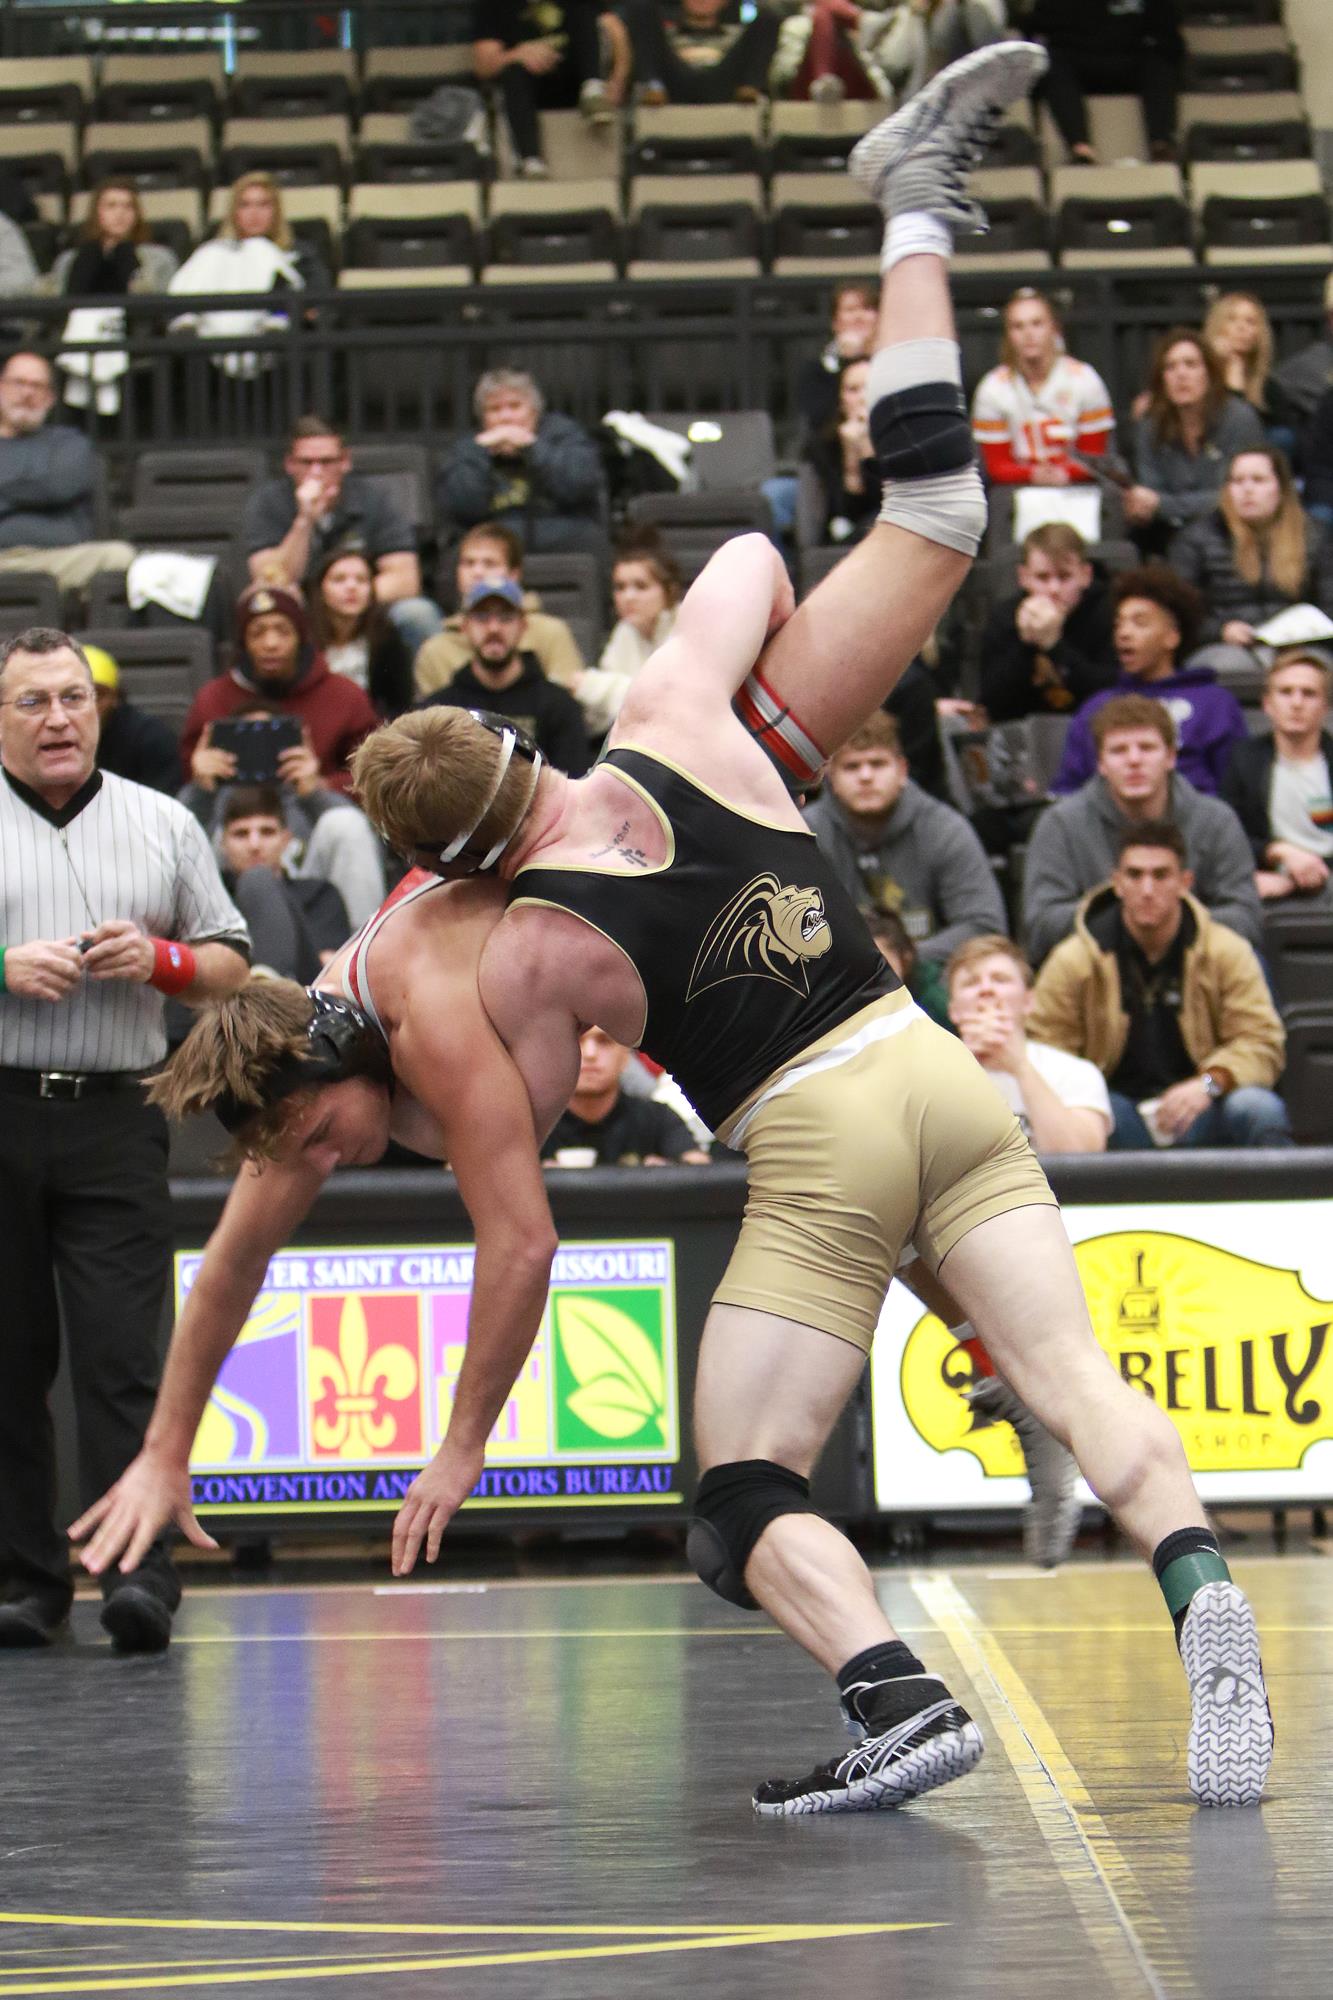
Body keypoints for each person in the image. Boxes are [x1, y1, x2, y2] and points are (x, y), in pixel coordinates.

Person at [351, 47, 1272, 1813]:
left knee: (738, 1490)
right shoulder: (674, 715)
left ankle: (893, 1700)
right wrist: (756, 726)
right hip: (930, 1067)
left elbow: (499, 1140)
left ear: (441, 868)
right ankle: (1206, 1607)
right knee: (1074, 1378)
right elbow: (756, 567)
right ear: (520, 737)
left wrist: (376, 1053)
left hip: (819, 1133)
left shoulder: (520, 950)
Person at [0, 626, 249, 1652]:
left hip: (118, 1113)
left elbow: (232, 962)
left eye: (74, 697)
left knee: (120, 1356)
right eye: (32, 701)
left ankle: (137, 1575)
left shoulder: (162, 821)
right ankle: (26, 1582)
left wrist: (160, 960)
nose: (58, 718)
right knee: (8, 1361)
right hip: (2, 1106)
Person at [1029, 821, 1291, 1151]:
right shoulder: (1073, 960)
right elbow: (1046, 1051)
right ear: (1117, 882)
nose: (1147, 889)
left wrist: (1208, 1084)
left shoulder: (1227, 951)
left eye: (1161, 875)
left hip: (1203, 1105)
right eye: (1135, 875)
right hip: (1117, 1111)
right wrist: (1090, 1097)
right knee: (1094, 1114)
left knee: (1258, 1108)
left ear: (1185, 883)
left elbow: (1261, 1040)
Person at [180, 582, 384, 926]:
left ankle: (363, 949)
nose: (271, 642)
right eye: (258, 632)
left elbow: (375, 777)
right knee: (199, 835)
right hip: (228, 851)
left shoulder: (343, 695)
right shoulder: (213, 699)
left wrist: (319, 787)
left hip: (306, 844)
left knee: (346, 825)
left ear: (301, 636)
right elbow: (180, 823)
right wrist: (201, 786)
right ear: (242, 642)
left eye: (282, 630)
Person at [1023, 694, 1263, 963]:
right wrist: (1127, 922)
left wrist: (1170, 924)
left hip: (1197, 962)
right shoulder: (1060, 824)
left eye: (1147, 748)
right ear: (1101, 763)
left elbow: (1246, 918)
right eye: (1119, 751)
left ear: (1170, 757)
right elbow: (1041, 924)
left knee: (1250, 960)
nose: (1134, 760)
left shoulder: (1216, 820)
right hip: (1095, 965)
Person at [803, 710, 1007, 956]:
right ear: (830, 776)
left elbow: (984, 926)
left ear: (902, 770)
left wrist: (903, 958)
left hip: (928, 972)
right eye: (851, 767)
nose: (866, 776)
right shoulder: (805, 833)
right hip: (837, 973)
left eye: (877, 764)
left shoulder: (944, 828)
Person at [243, 416, 442, 660]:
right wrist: (305, 520)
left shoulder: (375, 499)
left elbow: (405, 579)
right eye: (307, 462)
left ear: (345, 461)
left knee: (418, 613)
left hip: (365, 608)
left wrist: (349, 594)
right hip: (302, 607)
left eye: (326, 462)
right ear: (289, 464)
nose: (316, 472)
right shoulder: (267, 503)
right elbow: (271, 580)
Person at [1052, 566, 1247, 798]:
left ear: (1172, 637)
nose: (1123, 633)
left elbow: (1235, 792)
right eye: (1119, 624)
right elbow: (1068, 791)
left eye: (1140, 623)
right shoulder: (1097, 707)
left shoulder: (1214, 704)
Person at [1169, 447, 1333, 678]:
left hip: (1300, 645)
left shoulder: (1314, 536)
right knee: (1229, 666)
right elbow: (1179, 611)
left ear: (1282, 488)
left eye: (1258, 480)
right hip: (1224, 645)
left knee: (1307, 671)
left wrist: (1304, 634)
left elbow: (1329, 604)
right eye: (1237, 481)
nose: (1247, 489)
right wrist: (1220, 630)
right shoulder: (1196, 538)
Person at [946, 933, 1110, 1152]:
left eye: (1000, 979)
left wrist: (1020, 1067)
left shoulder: (1075, 1072)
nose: (986, 989)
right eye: (971, 983)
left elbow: (1081, 1158)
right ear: (953, 1011)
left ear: (1028, 1001)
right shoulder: (926, 1076)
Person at [418, 577, 591, 775]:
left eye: (506, 618)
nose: (494, 628)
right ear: (465, 627)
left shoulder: (560, 706)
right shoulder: (440, 710)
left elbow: (572, 783)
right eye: (482, 618)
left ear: (523, 626)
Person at [436, 367, 606, 560]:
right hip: (492, 535)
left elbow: (578, 486)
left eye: (515, 406)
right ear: (483, 418)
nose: (505, 417)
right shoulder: (468, 449)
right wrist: (481, 453)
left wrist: (532, 448)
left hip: (561, 529)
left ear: (534, 411)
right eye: (494, 409)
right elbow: (465, 508)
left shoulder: (564, 436)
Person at [167, 173, 327, 375]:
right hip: (210, 351)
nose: (254, 213)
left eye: (263, 205)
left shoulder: (301, 255)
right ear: (234, 212)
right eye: (245, 205)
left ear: (276, 211)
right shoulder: (213, 253)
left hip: (279, 358)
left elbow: (318, 303)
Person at [0, 352, 134, 588]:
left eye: (37, 386)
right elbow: (45, 489)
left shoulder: (69, 444)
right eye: (18, 383)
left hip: (58, 561)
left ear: (50, 398)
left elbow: (57, 487)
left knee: (119, 556)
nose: (27, 393)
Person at [47, 180, 178, 417]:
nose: (120, 213)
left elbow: (162, 306)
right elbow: (58, 305)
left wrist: (126, 255)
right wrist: (91, 257)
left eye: (128, 206)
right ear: (96, 213)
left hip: (137, 338)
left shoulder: (159, 257)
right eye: (111, 206)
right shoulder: (71, 259)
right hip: (74, 340)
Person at [413, 520, 584, 699]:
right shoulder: (436, 650)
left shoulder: (550, 633)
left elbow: (567, 699)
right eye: (468, 563)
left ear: (514, 574)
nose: (477, 572)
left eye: (489, 564)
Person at [1125, 327, 1265, 544]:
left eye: (1190, 364)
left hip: (1231, 534)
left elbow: (1235, 496)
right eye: (1170, 367)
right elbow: (1149, 494)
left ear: (1209, 374)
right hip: (1168, 536)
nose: (1181, 375)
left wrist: (1165, 504)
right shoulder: (1150, 426)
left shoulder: (1240, 419)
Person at [970, 287, 1114, 489]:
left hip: (1078, 488)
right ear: (1008, 334)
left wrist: (1063, 473)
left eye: (1037, 324)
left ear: (1054, 328)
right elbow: (996, 466)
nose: (1028, 334)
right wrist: (1033, 474)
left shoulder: (1085, 380)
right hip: (1015, 490)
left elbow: (1095, 459)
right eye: (1018, 326)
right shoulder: (992, 388)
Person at [1222, 649, 1333, 909]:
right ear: (1267, 704)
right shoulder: (1244, 759)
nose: (1296, 703)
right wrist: (1276, 852)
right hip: (1270, 878)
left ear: (1326, 707)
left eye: (1308, 693)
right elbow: (1227, 835)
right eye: (1286, 692)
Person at [978, 521, 1117, 722]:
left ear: (1085, 575)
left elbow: (1110, 694)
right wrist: (1027, 646)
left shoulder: (1108, 613)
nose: (1054, 589)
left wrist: (1054, 647)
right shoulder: (1005, 617)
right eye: (1042, 577)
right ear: (1023, 577)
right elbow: (991, 703)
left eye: (1064, 577)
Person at [473, 2, 631, 177]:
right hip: (531, 87)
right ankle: (531, 161)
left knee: (584, 12)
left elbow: (615, 30)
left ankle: (593, 91)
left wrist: (618, 81)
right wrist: (517, 54)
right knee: (513, 73)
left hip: (576, 76)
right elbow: (483, 66)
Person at [218, 782, 350, 984]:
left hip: (300, 993)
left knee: (257, 879)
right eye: (241, 834)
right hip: (222, 993)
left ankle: (266, 987)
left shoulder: (319, 894)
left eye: (267, 832)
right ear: (223, 843)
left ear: (286, 839)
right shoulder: (210, 897)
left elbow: (328, 971)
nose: (254, 845)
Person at [1027, 0, 1183, 165]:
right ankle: (1080, 150)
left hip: (1133, 58)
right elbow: (1038, 26)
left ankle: (1161, 146)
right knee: (1051, 64)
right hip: (1074, 58)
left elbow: (1169, 34)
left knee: (1159, 63)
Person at [542, 1025, 710, 1164]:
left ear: (626, 1056)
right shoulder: (534, 1125)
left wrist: (668, 1176)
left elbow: (701, 1173)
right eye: (575, 1040)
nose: (589, 1053)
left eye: (604, 1041)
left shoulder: (658, 1117)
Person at [574, 533, 682, 739]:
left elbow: (661, 702)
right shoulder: (625, 631)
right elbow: (605, 716)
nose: (628, 597)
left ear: (668, 590)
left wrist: (590, 685)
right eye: (620, 587)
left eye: (641, 586)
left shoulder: (686, 626)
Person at [308, 541, 415, 720]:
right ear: (320, 589)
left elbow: (400, 706)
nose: (352, 587)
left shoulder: (387, 637)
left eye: (361, 580)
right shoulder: (304, 639)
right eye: (339, 579)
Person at [618, 0, 782, 106]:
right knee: (640, 7)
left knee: (769, 17)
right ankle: (652, 86)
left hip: (726, 85)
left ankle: (750, 87)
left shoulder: (740, 36)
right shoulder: (661, 35)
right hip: (672, 86)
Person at [805, 355, 882, 546]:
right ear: (841, 399)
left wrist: (868, 450)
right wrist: (851, 455)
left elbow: (888, 504)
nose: (862, 398)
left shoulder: (903, 438)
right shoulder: (824, 445)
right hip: (845, 536)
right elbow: (844, 514)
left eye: (870, 387)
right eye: (853, 390)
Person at [1201, 292, 1294, 450]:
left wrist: (1236, 377)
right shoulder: (1199, 380)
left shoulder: (1269, 388)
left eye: (1250, 322)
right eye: (1232, 319)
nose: (1241, 327)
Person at [86, 641, 180, 795]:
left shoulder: (152, 738)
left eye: (99, 695)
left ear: (115, 697)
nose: (89, 705)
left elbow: (161, 804)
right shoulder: (52, 738)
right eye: (75, 696)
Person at [771, 2, 892, 105]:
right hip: (807, 93)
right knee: (822, 15)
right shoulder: (798, 25)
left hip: (859, 92)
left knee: (823, 13)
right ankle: (863, 20)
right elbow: (784, 76)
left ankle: (824, 81)